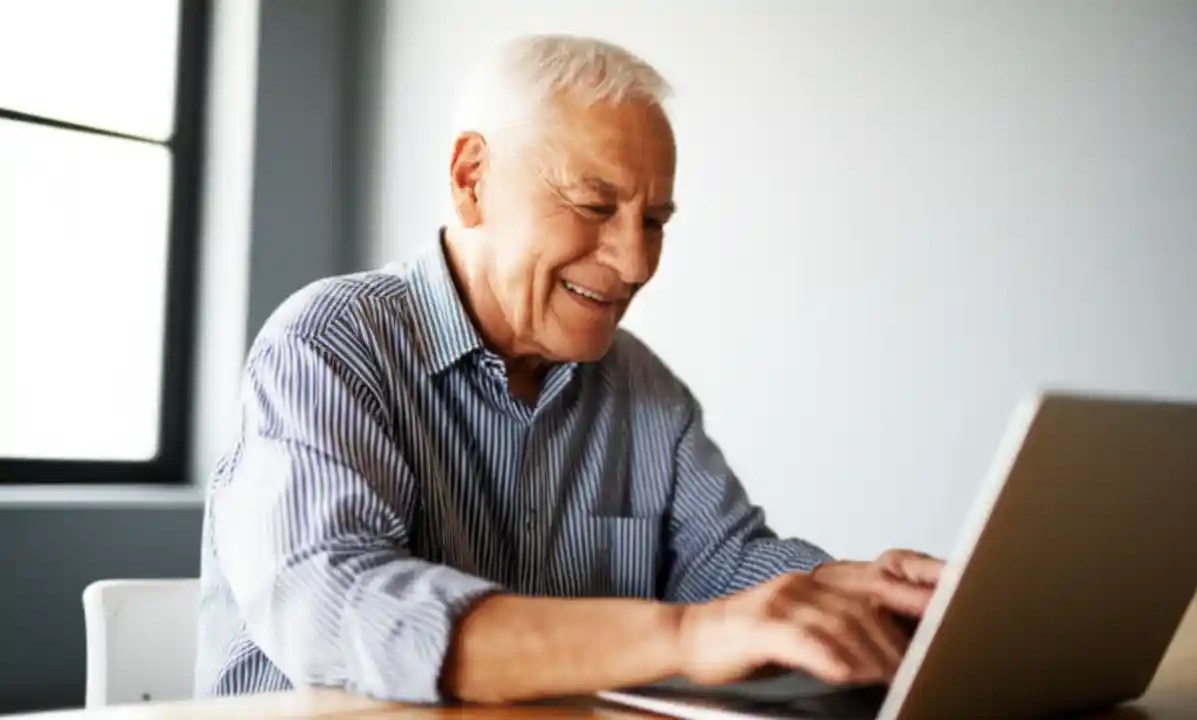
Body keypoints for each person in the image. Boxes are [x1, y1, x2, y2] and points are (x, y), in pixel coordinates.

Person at [194, 34, 944, 705]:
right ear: (472, 178)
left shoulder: (644, 388)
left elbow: (725, 565)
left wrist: (838, 594)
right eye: (594, 205)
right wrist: (685, 636)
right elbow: (336, 605)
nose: (636, 262)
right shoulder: (331, 340)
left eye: (654, 221)